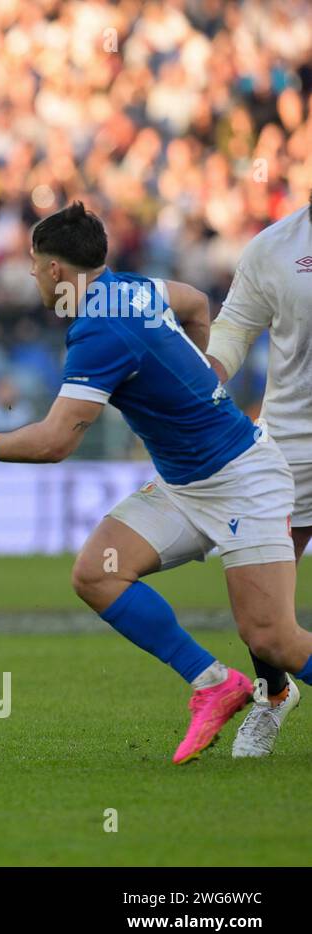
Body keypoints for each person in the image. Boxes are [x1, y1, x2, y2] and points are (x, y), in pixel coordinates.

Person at [0, 201, 312, 764]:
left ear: (57, 271)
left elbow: (57, 441)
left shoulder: (99, 331)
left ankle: (266, 688)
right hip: (189, 483)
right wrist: (198, 377)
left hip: (243, 481)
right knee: (97, 573)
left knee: (272, 639)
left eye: (35, 264)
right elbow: (195, 302)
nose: (33, 274)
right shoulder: (129, 288)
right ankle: (214, 683)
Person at [205, 193, 312, 756]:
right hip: (289, 444)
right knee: (261, 607)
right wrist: (204, 377)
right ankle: (273, 696)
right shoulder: (274, 247)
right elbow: (234, 328)